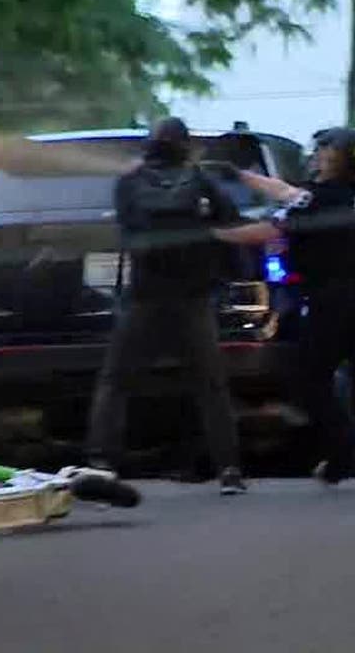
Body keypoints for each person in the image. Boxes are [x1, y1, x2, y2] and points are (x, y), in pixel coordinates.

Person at [216, 126, 355, 491]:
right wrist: (240, 175)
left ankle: (342, 452)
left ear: (335, 156)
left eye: (323, 151)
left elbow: (268, 230)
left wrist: (213, 233)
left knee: (309, 382)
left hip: (332, 306)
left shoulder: (313, 199)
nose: (316, 157)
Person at [86, 117, 247, 495]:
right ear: (184, 145)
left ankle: (100, 461)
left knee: (115, 381)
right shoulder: (199, 179)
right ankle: (229, 469)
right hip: (192, 298)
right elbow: (231, 221)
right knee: (211, 386)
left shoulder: (128, 182)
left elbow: (126, 229)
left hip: (144, 296)